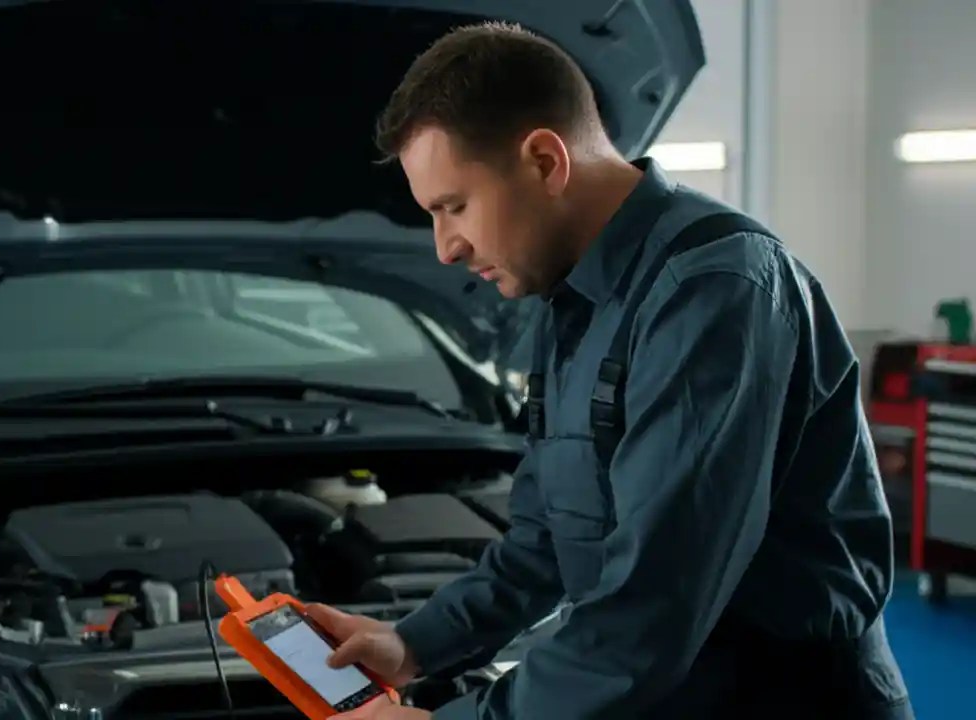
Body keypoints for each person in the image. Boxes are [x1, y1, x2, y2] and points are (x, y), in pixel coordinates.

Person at [306, 21, 914, 720]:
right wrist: (410, 645)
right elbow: (545, 542)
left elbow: (651, 605)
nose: (445, 248)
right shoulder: (574, 301)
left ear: (543, 159)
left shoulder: (712, 290)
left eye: (454, 207)